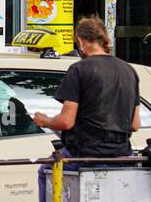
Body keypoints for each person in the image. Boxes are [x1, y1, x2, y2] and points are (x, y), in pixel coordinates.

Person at [33, 15, 140, 157]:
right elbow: (135, 124)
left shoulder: (78, 70)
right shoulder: (129, 71)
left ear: (80, 41)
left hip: (86, 154)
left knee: (44, 171)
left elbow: (66, 122)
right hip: (121, 154)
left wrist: (46, 121)